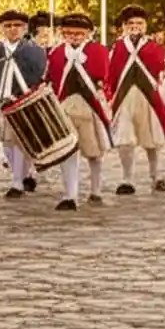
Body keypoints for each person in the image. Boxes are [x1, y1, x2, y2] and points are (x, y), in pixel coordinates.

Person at [45, 13, 111, 208]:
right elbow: (50, 77)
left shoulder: (97, 50)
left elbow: (103, 76)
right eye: (69, 33)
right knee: (68, 151)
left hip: (89, 107)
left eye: (78, 33)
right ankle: (70, 195)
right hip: (65, 106)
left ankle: (96, 189)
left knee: (94, 151)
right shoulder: (56, 53)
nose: (73, 37)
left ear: (87, 33)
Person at [106, 5, 165, 195]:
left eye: (139, 23)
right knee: (125, 140)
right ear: (124, 26)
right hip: (125, 98)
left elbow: (161, 66)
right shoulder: (117, 47)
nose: (135, 26)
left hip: (148, 97)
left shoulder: (154, 47)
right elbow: (111, 73)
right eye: (131, 23)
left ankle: (156, 175)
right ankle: (127, 178)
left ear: (146, 25)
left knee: (153, 138)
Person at [0, 9, 47, 198]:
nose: (13, 29)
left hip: (24, 100)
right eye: (8, 26)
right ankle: (22, 175)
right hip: (2, 100)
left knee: (20, 141)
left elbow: (37, 73)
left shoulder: (33, 49)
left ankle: (17, 181)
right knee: (6, 141)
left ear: (25, 28)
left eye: (17, 26)